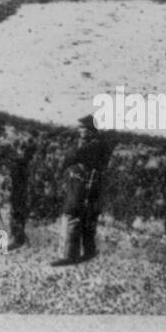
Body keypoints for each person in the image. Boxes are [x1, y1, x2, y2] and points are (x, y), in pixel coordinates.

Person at [51, 114, 111, 266]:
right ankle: (87, 252)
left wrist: (66, 161)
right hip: (86, 185)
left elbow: (72, 156)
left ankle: (68, 255)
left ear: (91, 130)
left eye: (83, 128)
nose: (80, 130)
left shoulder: (94, 146)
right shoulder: (97, 144)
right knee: (87, 217)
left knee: (71, 214)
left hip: (83, 185)